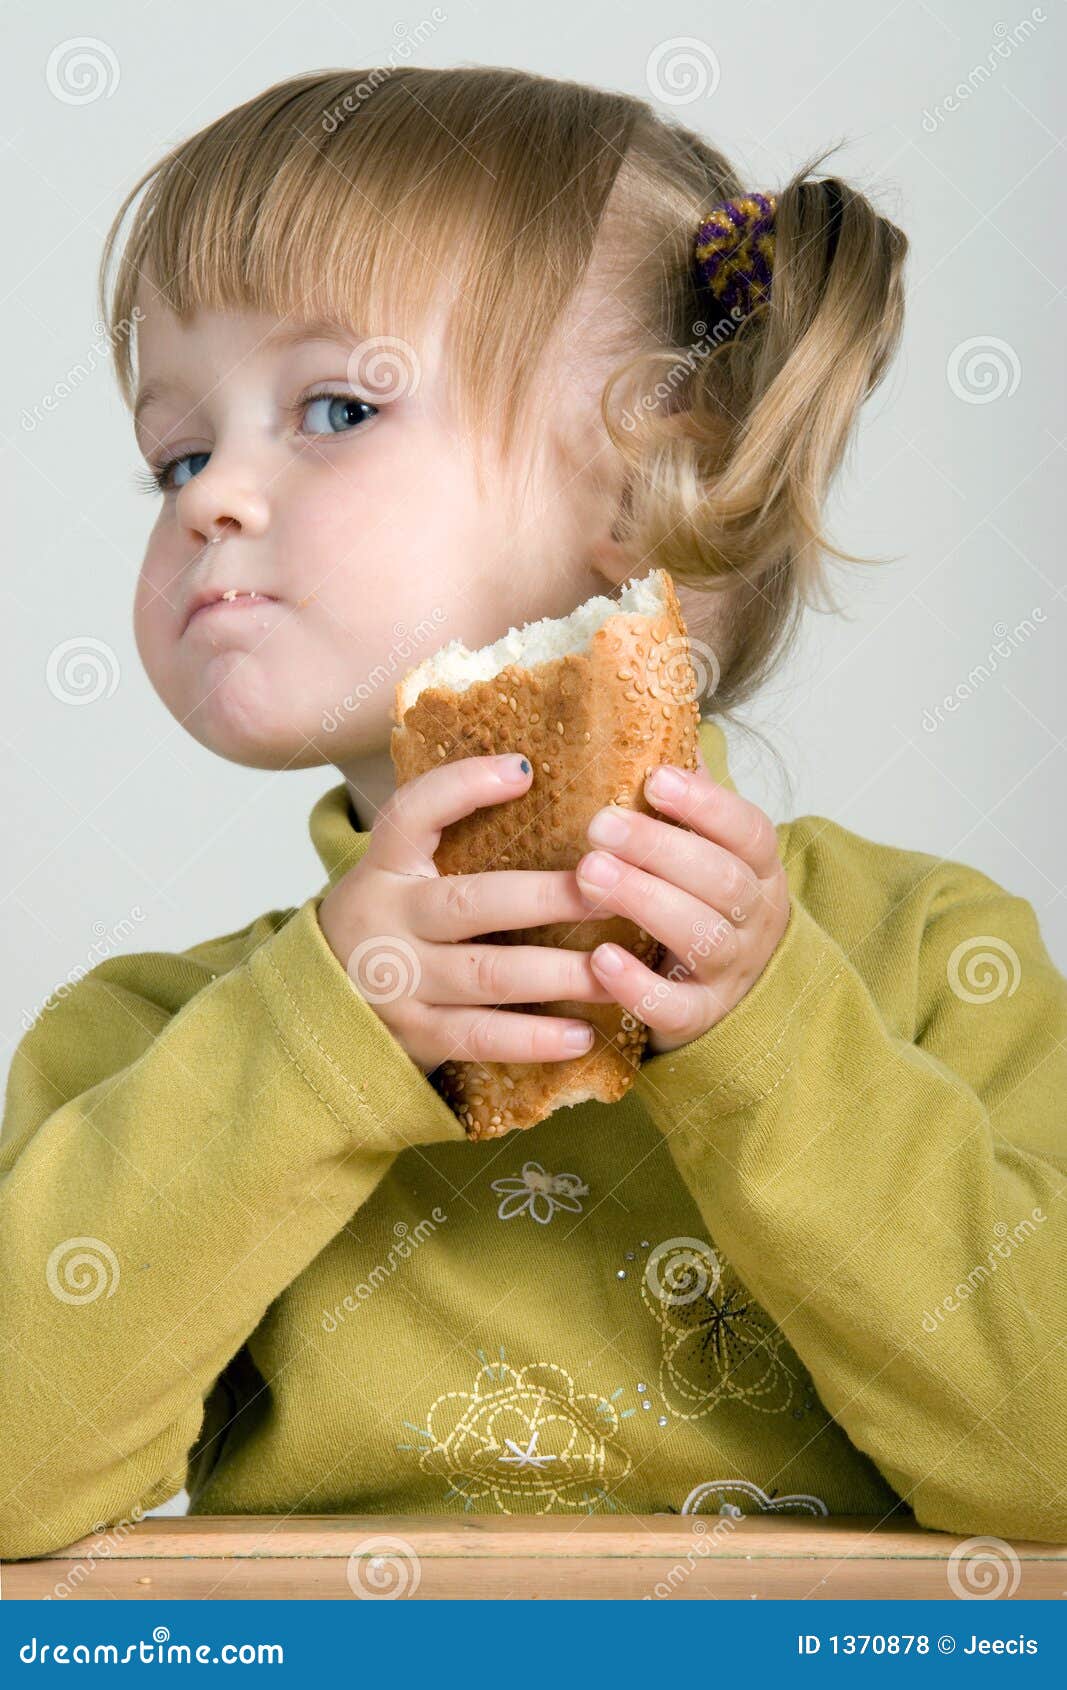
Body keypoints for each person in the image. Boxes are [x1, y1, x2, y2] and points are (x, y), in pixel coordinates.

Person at [2, 65, 1064, 1563]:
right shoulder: (148, 1045)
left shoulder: (927, 963)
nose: (211, 496)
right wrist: (315, 1046)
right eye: (179, 449)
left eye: (333, 405)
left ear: (645, 478)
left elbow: (1051, 1462)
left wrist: (769, 1042)